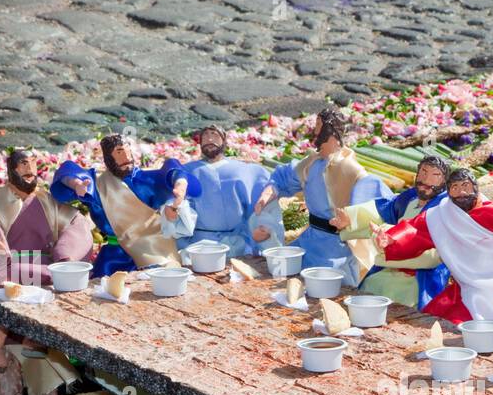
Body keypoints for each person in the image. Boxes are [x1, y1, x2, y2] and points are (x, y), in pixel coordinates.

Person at [0, 149, 91, 395]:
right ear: (11, 169)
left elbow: (76, 223)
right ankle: (2, 346)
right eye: (23, 164)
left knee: (49, 285)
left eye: (33, 165)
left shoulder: (48, 200)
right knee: (5, 279)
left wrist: (66, 255)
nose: (29, 170)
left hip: (45, 269)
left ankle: (26, 345)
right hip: (7, 267)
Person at [377, 168, 493, 348]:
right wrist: (390, 238)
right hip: (468, 287)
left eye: (465, 186)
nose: (461, 192)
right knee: (435, 325)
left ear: (475, 187)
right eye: (455, 187)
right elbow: (415, 231)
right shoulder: (441, 214)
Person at [254, 108, 392, 287]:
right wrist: (270, 191)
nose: (315, 132)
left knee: (329, 286)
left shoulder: (351, 170)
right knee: (281, 273)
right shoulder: (310, 164)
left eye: (318, 126)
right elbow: (284, 177)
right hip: (309, 239)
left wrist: (353, 221)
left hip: (336, 248)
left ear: (331, 131)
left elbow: (380, 204)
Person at [50, 134, 193, 276]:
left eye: (128, 150)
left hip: (153, 251)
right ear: (108, 157)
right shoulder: (98, 186)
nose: (126, 156)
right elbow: (67, 170)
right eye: (119, 152)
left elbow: (171, 169)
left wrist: (180, 183)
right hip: (114, 257)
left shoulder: (146, 181)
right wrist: (76, 184)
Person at [331, 154, 451, 309]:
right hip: (389, 267)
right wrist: (351, 218)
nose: (426, 180)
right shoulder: (409, 199)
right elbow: (382, 211)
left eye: (435, 175)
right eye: (423, 172)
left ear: (444, 181)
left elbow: (430, 251)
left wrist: (389, 236)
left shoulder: (443, 210)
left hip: (420, 277)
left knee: (397, 297)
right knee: (370, 286)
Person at [171, 125, 284, 256]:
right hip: (198, 244)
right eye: (205, 136)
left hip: (238, 242)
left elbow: (259, 202)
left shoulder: (243, 170)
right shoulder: (188, 171)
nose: (209, 139)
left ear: (224, 141)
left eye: (214, 135)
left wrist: (262, 229)